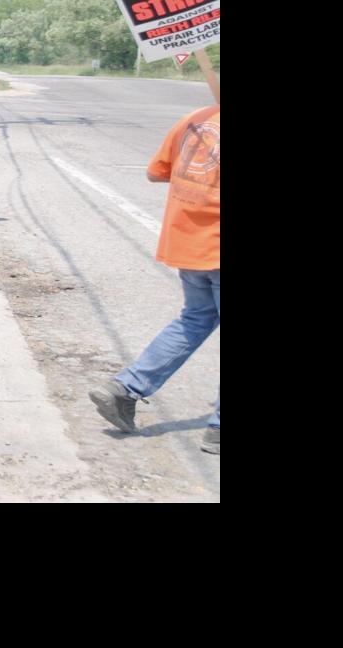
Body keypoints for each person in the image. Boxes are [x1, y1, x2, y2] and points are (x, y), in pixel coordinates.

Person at [87, 105, 220, 453]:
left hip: (189, 243)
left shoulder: (196, 118)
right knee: (195, 319)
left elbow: (157, 171)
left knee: (195, 319)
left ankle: (125, 388)